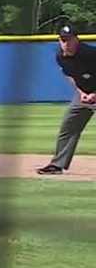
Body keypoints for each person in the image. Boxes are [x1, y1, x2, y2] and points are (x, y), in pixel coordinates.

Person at [38, 22, 96, 175]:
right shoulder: (61, 56)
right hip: (84, 94)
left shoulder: (90, 54)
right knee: (69, 126)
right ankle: (57, 165)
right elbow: (70, 75)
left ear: (77, 39)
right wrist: (81, 92)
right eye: (63, 40)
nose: (66, 43)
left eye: (69, 39)